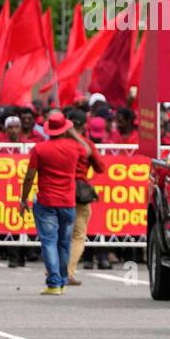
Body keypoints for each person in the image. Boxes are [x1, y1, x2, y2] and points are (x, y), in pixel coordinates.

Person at [18, 110, 103, 295]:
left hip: (46, 201)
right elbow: (89, 151)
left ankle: (54, 282)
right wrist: (73, 133)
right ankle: (62, 280)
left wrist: (23, 199)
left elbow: (29, 176)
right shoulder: (75, 147)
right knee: (65, 242)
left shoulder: (39, 149)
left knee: (49, 241)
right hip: (68, 202)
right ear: (65, 129)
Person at [65, 115, 106, 286]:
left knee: (59, 233)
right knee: (78, 235)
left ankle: (53, 267)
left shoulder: (58, 144)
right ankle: (67, 272)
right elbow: (100, 167)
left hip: (59, 190)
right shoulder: (86, 145)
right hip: (79, 191)